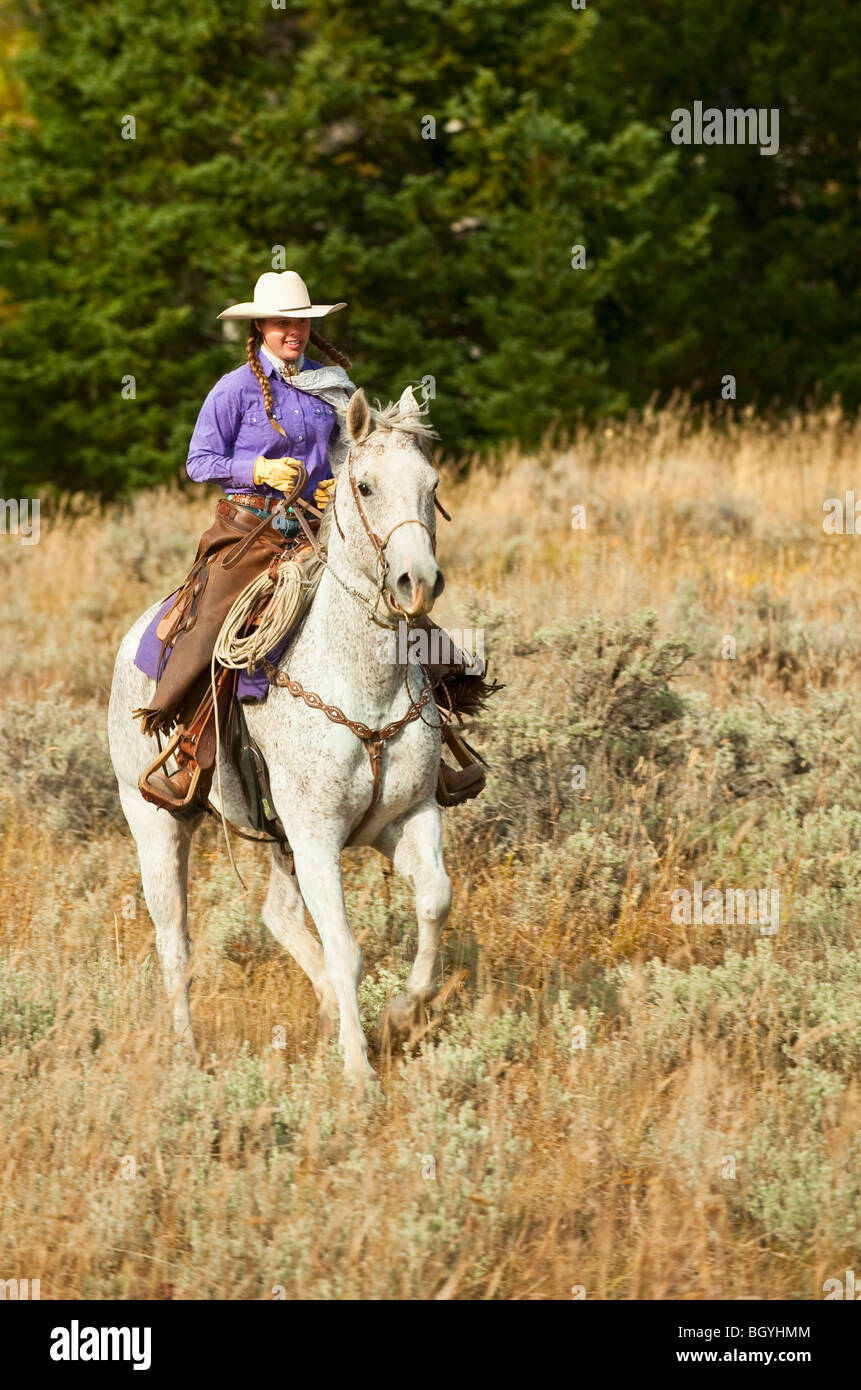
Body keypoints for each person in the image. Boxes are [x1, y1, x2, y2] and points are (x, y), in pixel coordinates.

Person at [133, 269, 489, 815]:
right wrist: (258, 470)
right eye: (281, 323)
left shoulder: (332, 387)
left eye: (300, 323)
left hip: (318, 530)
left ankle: (432, 748)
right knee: (214, 623)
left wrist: (336, 482)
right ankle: (190, 754)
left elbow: (357, 455)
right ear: (260, 329)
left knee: (399, 611)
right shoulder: (234, 389)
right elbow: (198, 461)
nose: (291, 332)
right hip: (246, 532)